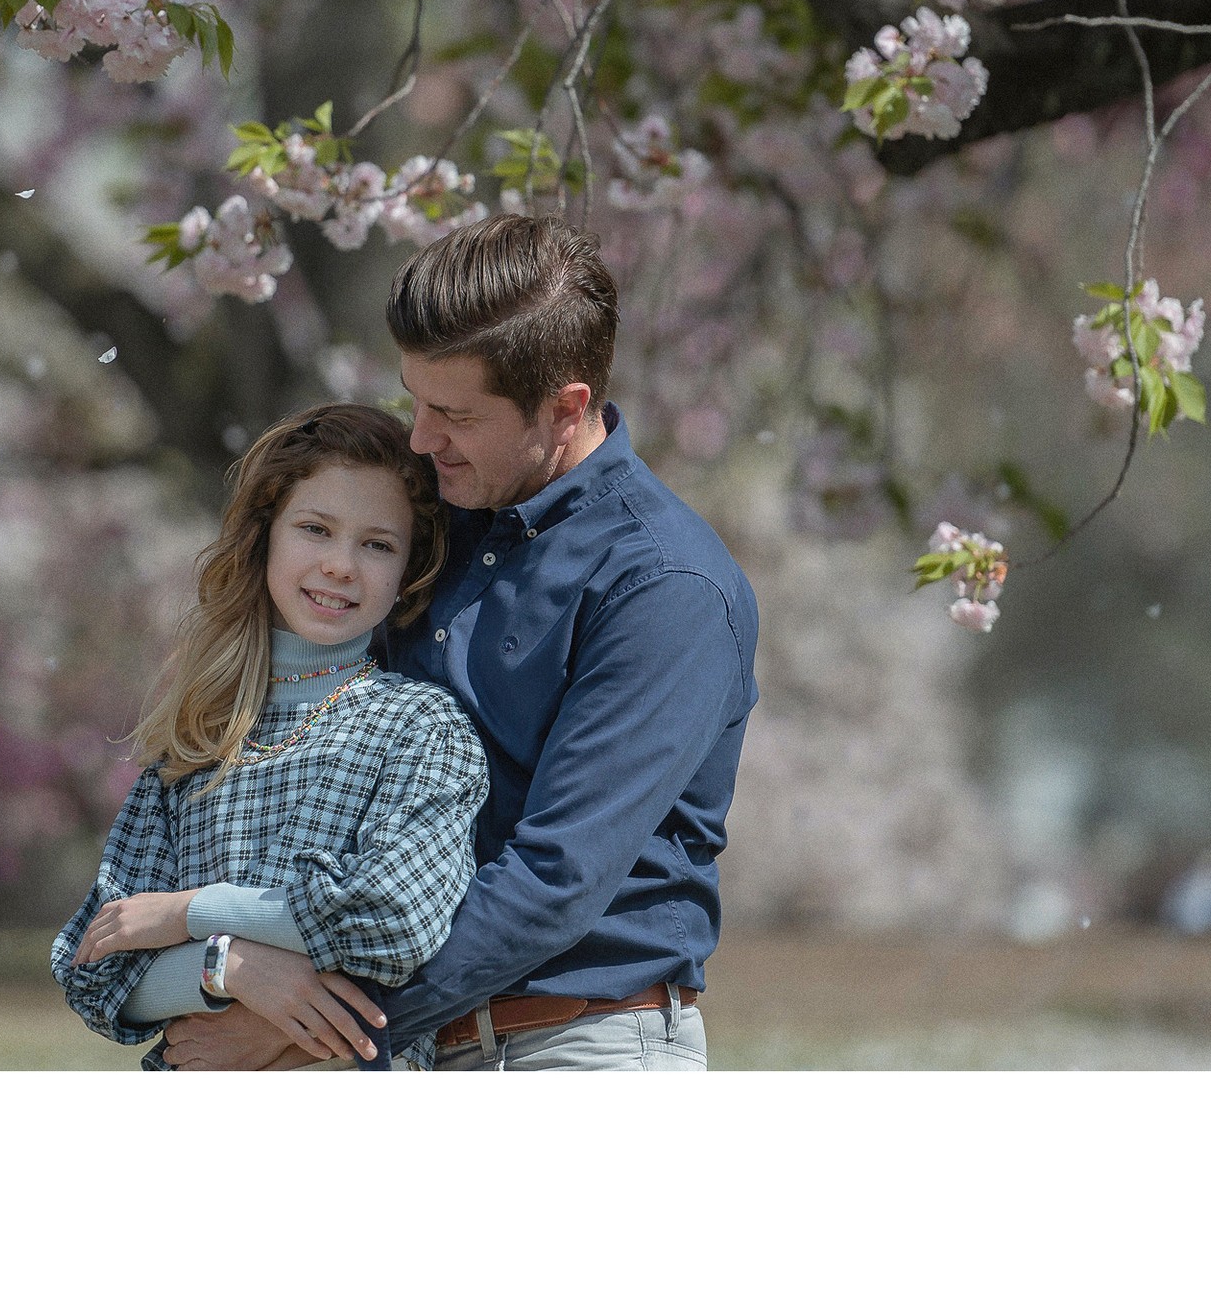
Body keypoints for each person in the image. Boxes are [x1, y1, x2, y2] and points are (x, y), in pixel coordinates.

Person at [159, 214, 760, 1071]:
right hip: (396, 1055)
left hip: (573, 1051)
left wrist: (304, 1025)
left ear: (565, 409)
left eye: (453, 414)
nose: (419, 437)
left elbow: (552, 881)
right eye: (414, 399)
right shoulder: (423, 524)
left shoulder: (664, 588)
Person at [51, 403, 488, 1070]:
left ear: (408, 570)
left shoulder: (420, 729)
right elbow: (96, 967)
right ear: (266, 537)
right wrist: (230, 967)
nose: (341, 565)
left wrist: (192, 913)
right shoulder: (198, 744)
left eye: (377, 544)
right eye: (315, 529)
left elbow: (396, 918)